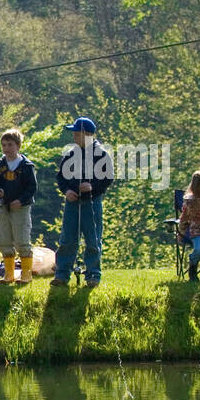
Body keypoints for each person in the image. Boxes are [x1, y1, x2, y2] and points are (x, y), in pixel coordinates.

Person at [51, 116, 114, 287]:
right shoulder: (70, 153)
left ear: (87, 134)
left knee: (93, 240)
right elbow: (61, 178)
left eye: (76, 133)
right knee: (67, 240)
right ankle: (62, 274)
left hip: (92, 203)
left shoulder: (101, 155)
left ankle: (93, 275)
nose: (73, 137)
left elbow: (108, 178)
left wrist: (92, 186)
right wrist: (67, 191)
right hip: (72, 203)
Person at [0, 128, 37, 285]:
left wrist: (21, 201)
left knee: (22, 238)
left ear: (18, 145)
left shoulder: (27, 166)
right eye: (4, 145)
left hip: (20, 208)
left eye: (10, 145)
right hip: (4, 206)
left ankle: (26, 274)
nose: (7, 149)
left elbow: (32, 188)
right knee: (4, 238)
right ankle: (9, 274)